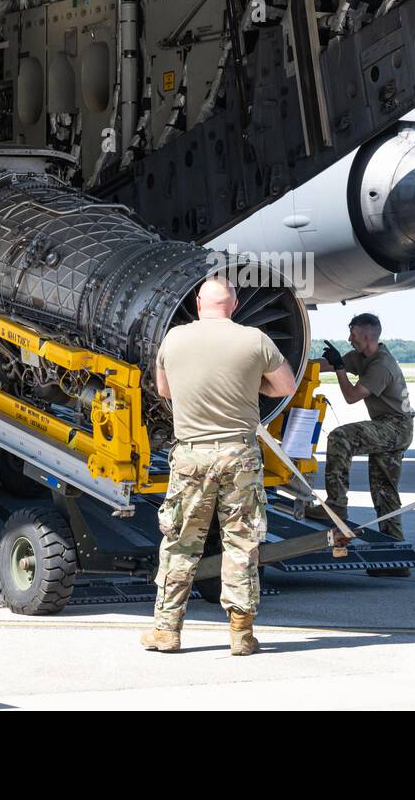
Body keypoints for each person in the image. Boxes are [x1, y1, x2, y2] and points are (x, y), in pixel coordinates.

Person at [142, 276, 297, 655]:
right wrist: (250, 385)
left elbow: (164, 391)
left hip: (191, 455)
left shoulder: (173, 339)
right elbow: (285, 386)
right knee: (241, 544)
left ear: (198, 303)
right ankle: (241, 634)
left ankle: (166, 631)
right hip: (239, 455)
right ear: (235, 303)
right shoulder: (254, 340)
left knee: (181, 543)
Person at [316, 313, 415, 575]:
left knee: (340, 437)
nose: (349, 339)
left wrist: (338, 368)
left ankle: (336, 504)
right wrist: (289, 362)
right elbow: (322, 366)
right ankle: (396, 557)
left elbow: (351, 397)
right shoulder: (361, 356)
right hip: (389, 425)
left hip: (396, 426)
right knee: (384, 491)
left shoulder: (381, 364)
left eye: (353, 334)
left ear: (367, 336)